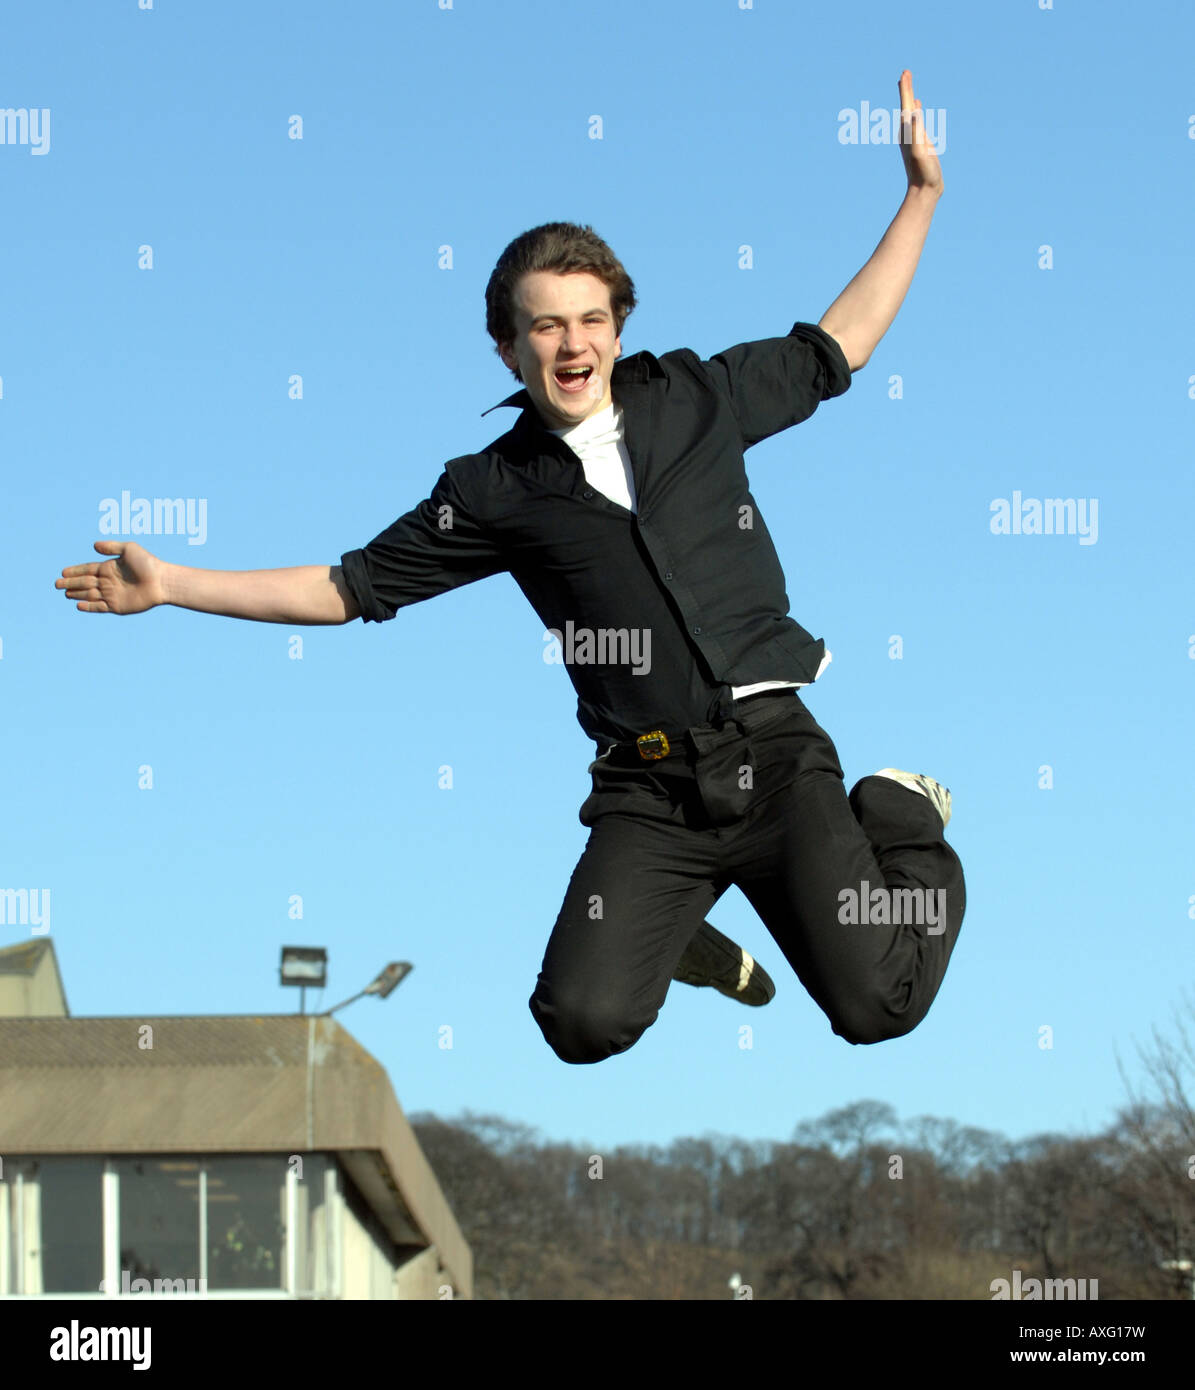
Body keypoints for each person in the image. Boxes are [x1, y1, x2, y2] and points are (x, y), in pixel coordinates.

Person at [57, 72, 964, 1067]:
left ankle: (899, 810)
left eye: (589, 319)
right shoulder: (492, 487)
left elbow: (839, 343)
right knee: (580, 1021)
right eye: (545, 324)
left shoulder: (695, 399)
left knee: (880, 1005)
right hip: (649, 790)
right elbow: (347, 586)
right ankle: (677, 938)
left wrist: (919, 196)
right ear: (508, 348)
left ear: (616, 327)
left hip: (777, 756)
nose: (571, 342)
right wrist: (175, 583)